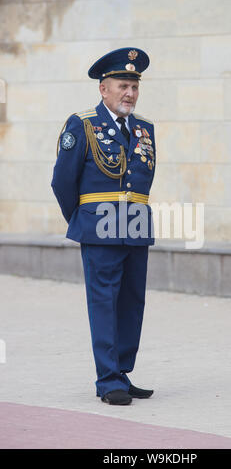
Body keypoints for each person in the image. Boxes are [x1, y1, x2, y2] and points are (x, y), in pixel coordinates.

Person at [51, 48, 156, 405]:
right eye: (123, 86)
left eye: (134, 87)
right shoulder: (82, 125)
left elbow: (143, 180)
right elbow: (62, 182)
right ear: (103, 89)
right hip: (99, 229)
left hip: (136, 226)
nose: (130, 93)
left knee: (132, 302)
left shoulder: (144, 128)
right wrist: (83, 220)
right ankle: (107, 379)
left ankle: (122, 373)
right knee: (104, 302)